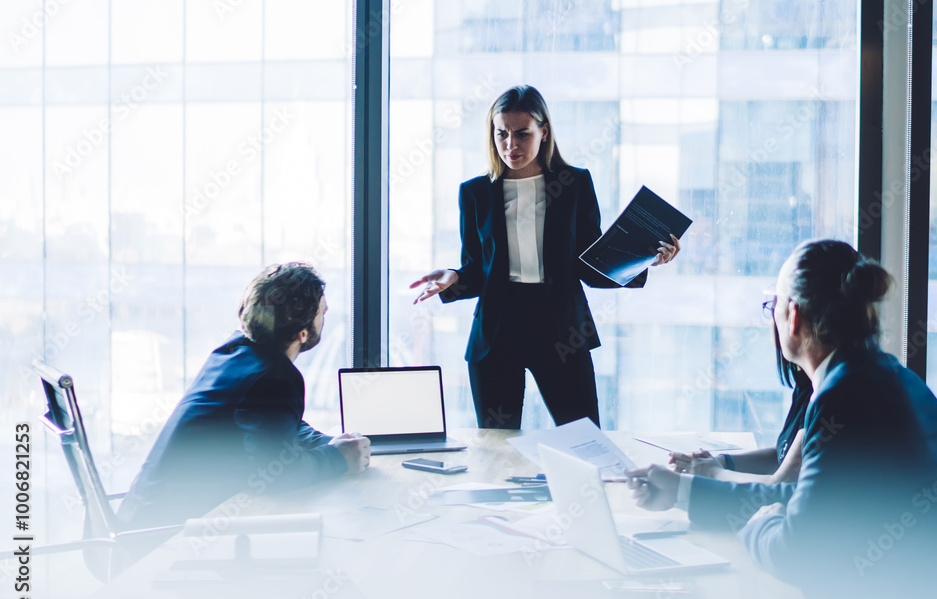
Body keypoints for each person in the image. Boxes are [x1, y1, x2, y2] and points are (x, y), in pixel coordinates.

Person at [626, 240, 937, 599]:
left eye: (773, 306)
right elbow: (805, 503)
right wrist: (683, 492)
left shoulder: (844, 397)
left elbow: (798, 550)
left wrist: (756, 520)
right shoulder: (887, 375)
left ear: (792, 316)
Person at [410, 85, 680, 429]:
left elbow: (590, 267)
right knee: (498, 450)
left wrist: (647, 260)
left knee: (584, 442)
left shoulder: (574, 185)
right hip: (497, 332)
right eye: (501, 134)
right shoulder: (475, 193)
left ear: (544, 131)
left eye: (522, 134)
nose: (511, 145)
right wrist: (453, 276)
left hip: (560, 329)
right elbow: (478, 271)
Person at [117, 263, 371, 531]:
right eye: (322, 313)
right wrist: (337, 459)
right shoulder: (274, 376)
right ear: (303, 332)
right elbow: (273, 475)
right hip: (162, 538)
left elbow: (279, 427)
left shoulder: (234, 352)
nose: (325, 317)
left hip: (139, 519)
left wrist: (330, 443)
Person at [669, 334, 812, 485]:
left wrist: (714, 472)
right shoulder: (805, 385)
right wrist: (720, 462)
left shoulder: (823, 395)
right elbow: (780, 454)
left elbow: (783, 482)